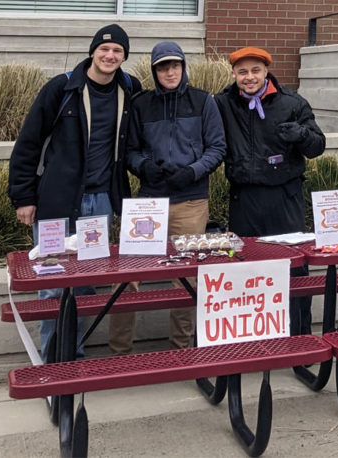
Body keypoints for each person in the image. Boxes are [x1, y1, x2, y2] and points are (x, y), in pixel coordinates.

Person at [8, 24, 141, 362]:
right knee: (53, 285)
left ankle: (75, 358)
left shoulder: (130, 89)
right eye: (105, 49)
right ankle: (54, 363)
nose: (110, 56)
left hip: (99, 203)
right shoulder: (61, 88)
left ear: (124, 56)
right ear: (93, 50)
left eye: (117, 52)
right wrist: (24, 198)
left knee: (86, 284)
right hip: (56, 203)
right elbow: (28, 144)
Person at [119, 41, 226, 353]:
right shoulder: (141, 105)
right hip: (148, 202)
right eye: (163, 66)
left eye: (175, 65)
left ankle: (180, 349)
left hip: (191, 201)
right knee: (127, 277)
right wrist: (143, 167)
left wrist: (192, 172)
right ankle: (119, 351)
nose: (169, 71)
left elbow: (217, 147)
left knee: (186, 278)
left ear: (183, 67)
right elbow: (130, 150)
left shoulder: (203, 101)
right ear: (154, 71)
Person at [215, 46, 326, 336]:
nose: (249, 77)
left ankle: (300, 336)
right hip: (244, 199)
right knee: (244, 269)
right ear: (234, 74)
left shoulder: (292, 102)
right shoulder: (223, 103)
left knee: (293, 269)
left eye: (255, 70)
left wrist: (301, 135)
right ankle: (250, 334)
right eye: (242, 72)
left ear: (266, 71)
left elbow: (318, 146)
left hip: (284, 199)